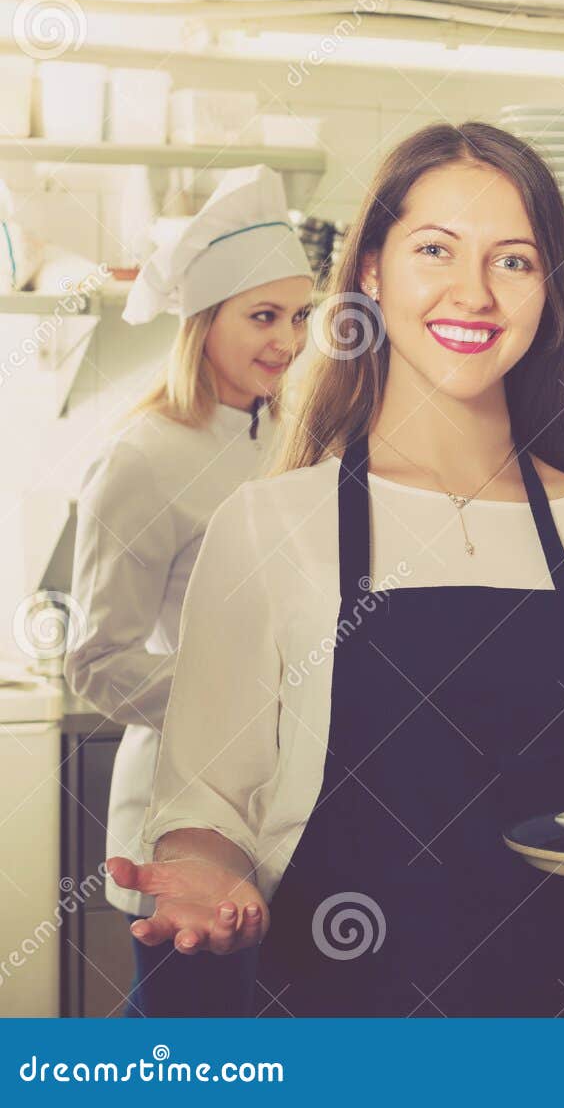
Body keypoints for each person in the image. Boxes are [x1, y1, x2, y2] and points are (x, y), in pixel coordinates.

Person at [103, 122, 564, 1017]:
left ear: (551, 293)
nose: (473, 292)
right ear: (372, 271)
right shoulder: (269, 526)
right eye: (436, 249)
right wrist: (207, 876)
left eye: (514, 261)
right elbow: (206, 805)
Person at [66, 165, 313, 1017]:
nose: (288, 341)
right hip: (182, 812)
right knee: (183, 1043)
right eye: (263, 316)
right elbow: (95, 663)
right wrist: (247, 697)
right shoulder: (141, 456)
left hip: (283, 809)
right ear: (204, 320)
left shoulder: (293, 438)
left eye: (301, 316)